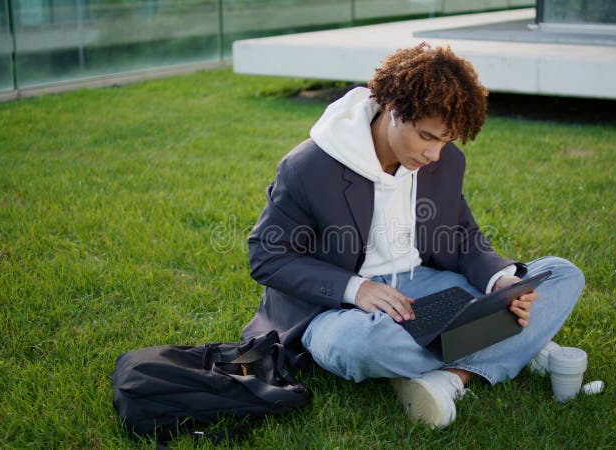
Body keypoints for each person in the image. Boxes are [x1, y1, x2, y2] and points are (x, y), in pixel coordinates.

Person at [242, 43, 585, 428]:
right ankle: (520, 341)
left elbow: (461, 237)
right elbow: (267, 255)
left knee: (562, 274)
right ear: (393, 109)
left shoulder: (446, 161)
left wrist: (499, 280)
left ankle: (453, 378)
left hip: (421, 286)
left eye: (445, 140)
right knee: (360, 348)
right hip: (339, 310)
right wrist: (356, 289)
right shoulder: (309, 166)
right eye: (426, 137)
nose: (435, 154)